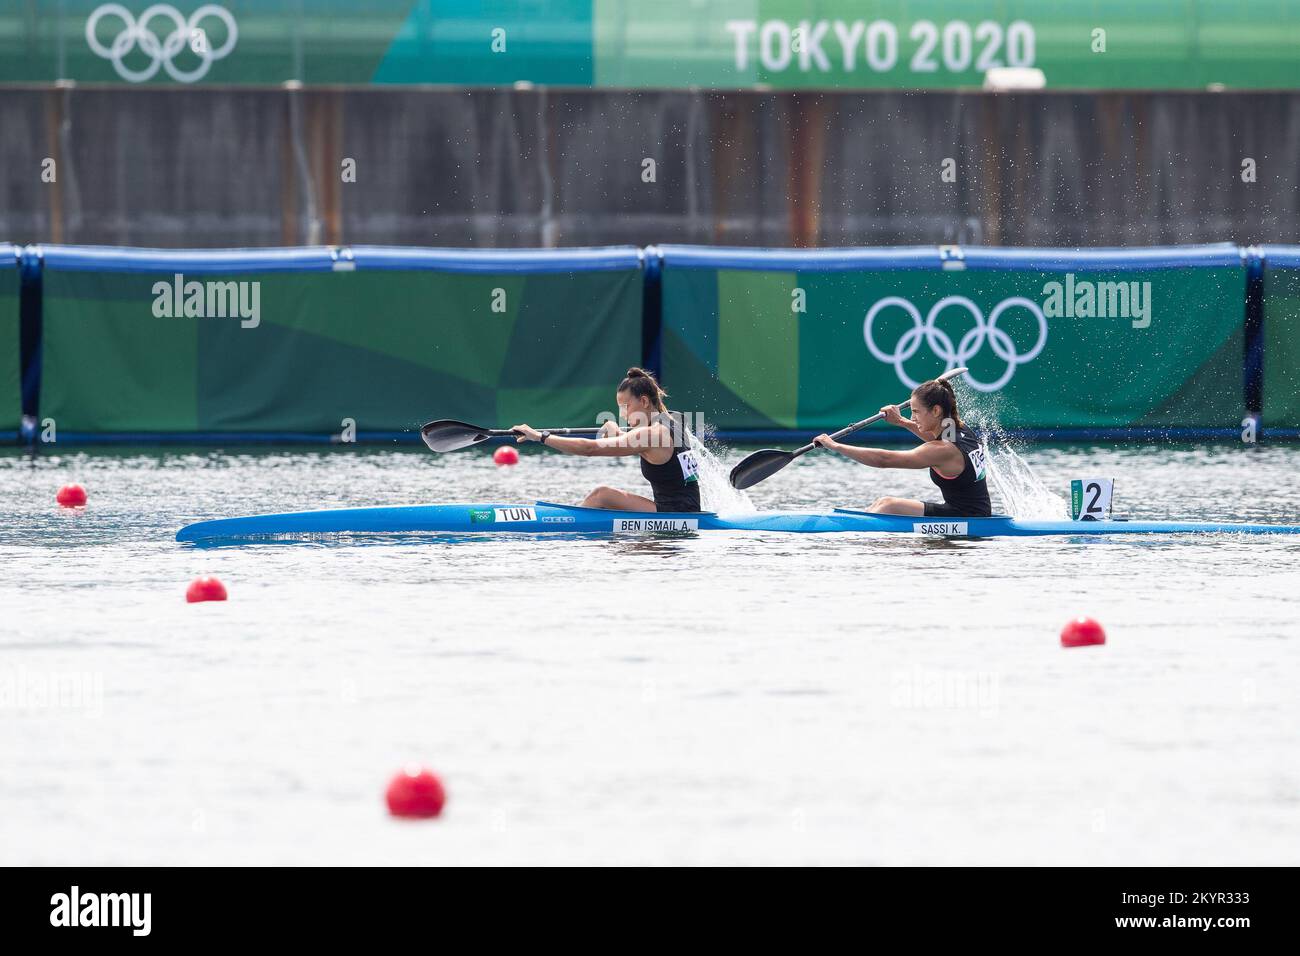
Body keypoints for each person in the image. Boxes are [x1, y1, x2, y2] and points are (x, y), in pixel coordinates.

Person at [511, 367, 701, 513]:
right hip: (687, 511)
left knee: (601, 496)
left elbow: (589, 449)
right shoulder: (674, 419)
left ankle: (570, 529)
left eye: (626, 407)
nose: (623, 414)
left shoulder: (652, 435)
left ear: (644, 401)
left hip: (674, 516)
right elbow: (643, 445)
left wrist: (539, 436)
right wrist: (619, 434)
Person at [812, 377, 991, 517]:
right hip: (975, 512)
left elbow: (884, 460)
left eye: (916, 412)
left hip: (966, 518)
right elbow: (932, 435)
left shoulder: (941, 450)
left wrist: (834, 446)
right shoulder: (958, 428)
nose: (913, 418)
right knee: (883, 503)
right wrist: (900, 421)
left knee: (888, 505)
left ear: (936, 411)